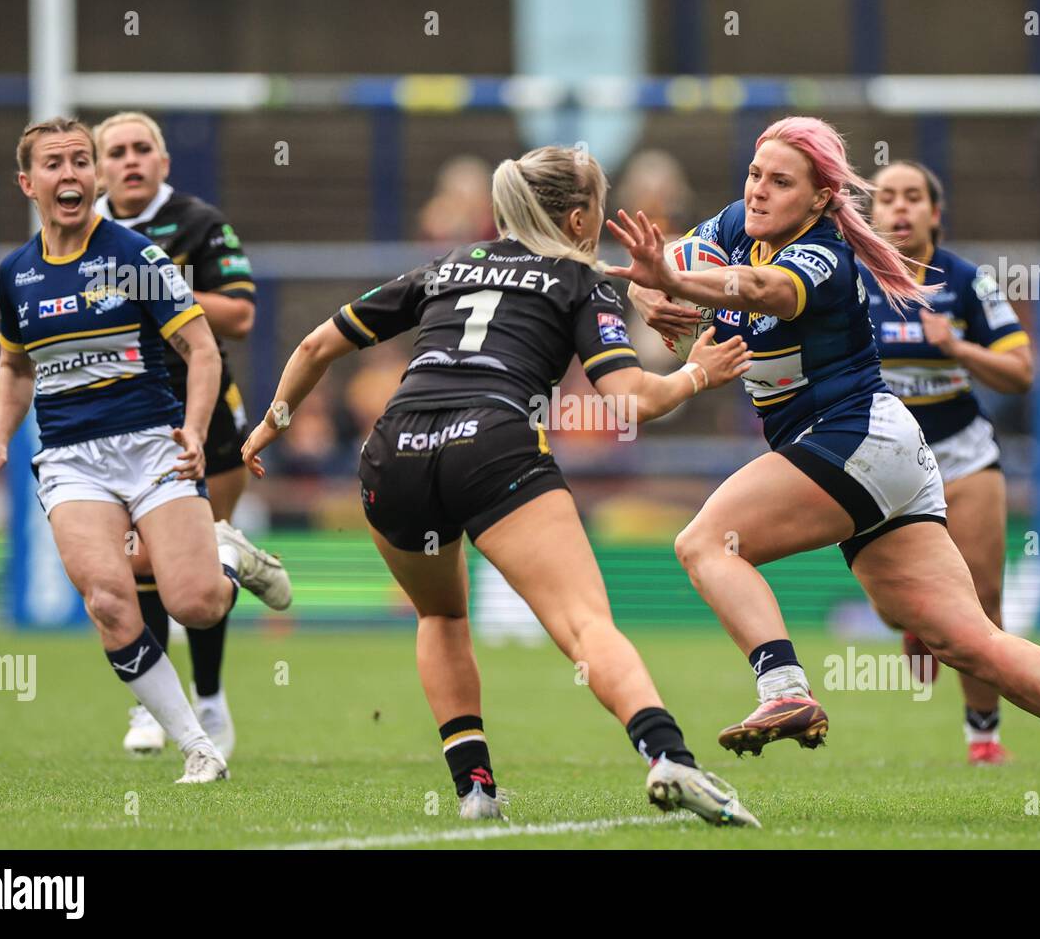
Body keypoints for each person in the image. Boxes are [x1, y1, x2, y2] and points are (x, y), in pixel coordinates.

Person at [615, 115, 1040, 819]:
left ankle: (784, 689)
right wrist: (655, 291)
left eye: (780, 181)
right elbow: (657, 270)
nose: (758, 190)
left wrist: (679, 287)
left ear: (821, 200)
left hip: (852, 436)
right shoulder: (738, 221)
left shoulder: (820, 256)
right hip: (887, 451)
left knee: (706, 542)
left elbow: (753, 291)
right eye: (757, 174)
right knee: (965, 640)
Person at [241, 145, 761, 826]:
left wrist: (270, 425)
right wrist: (699, 372)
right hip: (491, 441)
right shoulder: (580, 283)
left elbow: (315, 347)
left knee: (440, 615)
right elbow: (630, 400)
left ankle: (475, 791)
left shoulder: (447, 267)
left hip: (394, 450)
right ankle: (668, 757)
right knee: (584, 625)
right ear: (579, 219)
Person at [0, 117, 289, 783]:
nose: (71, 174)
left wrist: (195, 432)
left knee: (193, 603)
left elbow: (201, 347)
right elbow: (15, 367)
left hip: (150, 446)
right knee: (109, 601)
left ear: (94, 176)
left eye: (81, 161)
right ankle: (196, 745)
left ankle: (228, 554)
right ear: (28, 183)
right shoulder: (17, 274)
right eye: (55, 164)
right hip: (69, 457)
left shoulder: (134, 259)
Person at [94, 110, 273, 759]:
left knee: (192, 564)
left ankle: (210, 699)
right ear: (98, 167)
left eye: (144, 149)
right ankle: (153, 702)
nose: (131, 160)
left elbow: (242, 313)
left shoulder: (198, 223)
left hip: (200, 406)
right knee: (139, 561)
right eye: (117, 151)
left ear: (164, 163)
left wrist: (159, 287)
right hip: (119, 412)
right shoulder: (83, 234)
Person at [865, 160, 1033, 765]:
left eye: (913, 198)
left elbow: (1021, 372)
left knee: (983, 599)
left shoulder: (967, 283)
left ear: (935, 213)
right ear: (871, 213)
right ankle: (914, 625)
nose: (900, 209)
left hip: (962, 454)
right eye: (887, 198)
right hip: (881, 462)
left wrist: (957, 347)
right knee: (891, 606)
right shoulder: (849, 283)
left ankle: (983, 736)